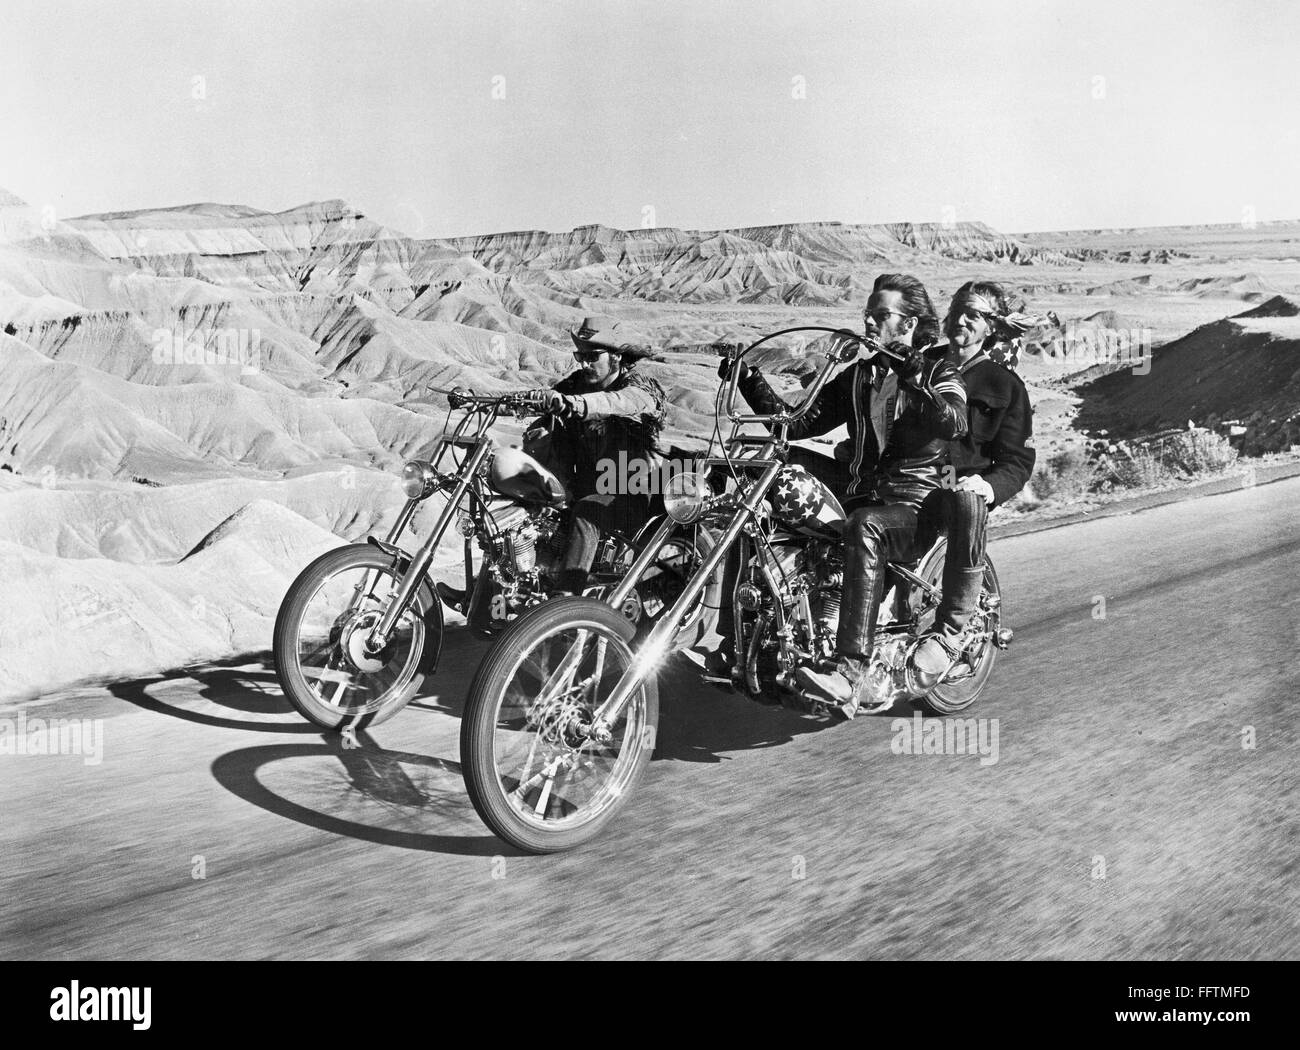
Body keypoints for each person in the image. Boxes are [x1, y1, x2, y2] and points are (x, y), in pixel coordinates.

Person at [722, 274, 968, 719]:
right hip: (860, 492)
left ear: (910, 323)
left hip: (913, 505)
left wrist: (916, 379)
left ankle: (849, 673)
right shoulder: (860, 376)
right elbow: (798, 422)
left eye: (881, 316)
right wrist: (747, 378)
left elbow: (954, 422)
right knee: (762, 474)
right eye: (868, 315)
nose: (870, 323)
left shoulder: (939, 370)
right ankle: (734, 644)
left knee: (866, 524)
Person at [910, 281, 1036, 687]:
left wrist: (990, 487)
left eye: (976, 314)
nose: (963, 319)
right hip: (901, 476)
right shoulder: (918, 364)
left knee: (964, 497)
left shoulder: (1004, 385)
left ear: (990, 329)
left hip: (952, 484)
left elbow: (1016, 460)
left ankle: (952, 631)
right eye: (960, 309)